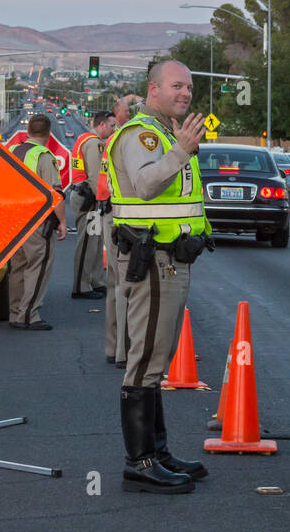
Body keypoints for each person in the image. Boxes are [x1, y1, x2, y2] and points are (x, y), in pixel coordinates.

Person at [104, 62, 210, 494]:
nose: (185, 93)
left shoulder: (164, 133)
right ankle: (140, 462)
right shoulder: (143, 135)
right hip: (153, 262)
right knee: (145, 361)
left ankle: (158, 452)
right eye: (176, 85)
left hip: (169, 259)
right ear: (153, 89)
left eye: (188, 86)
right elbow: (146, 185)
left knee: (155, 360)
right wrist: (182, 150)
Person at [8, 114, 67, 330]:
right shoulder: (44, 156)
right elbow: (55, 194)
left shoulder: (12, 151)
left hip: (13, 219)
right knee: (38, 266)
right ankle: (29, 315)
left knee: (17, 267)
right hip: (36, 221)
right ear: (49, 134)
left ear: (28, 132)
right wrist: (62, 221)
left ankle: (15, 313)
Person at [104, 94, 143, 366]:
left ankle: (115, 348)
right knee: (127, 287)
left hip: (116, 215)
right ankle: (125, 352)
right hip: (128, 222)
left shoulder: (114, 141)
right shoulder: (130, 142)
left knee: (117, 286)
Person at [69, 111, 116, 299]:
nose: (114, 130)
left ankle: (95, 281)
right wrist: (105, 200)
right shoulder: (93, 143)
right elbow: (97, 177)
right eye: (112, 126)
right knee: (87, 243)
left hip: (89, 198)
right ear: (102, 125)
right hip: (88, 198)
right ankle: (80, 286)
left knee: (95, 243)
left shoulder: (84, 139)